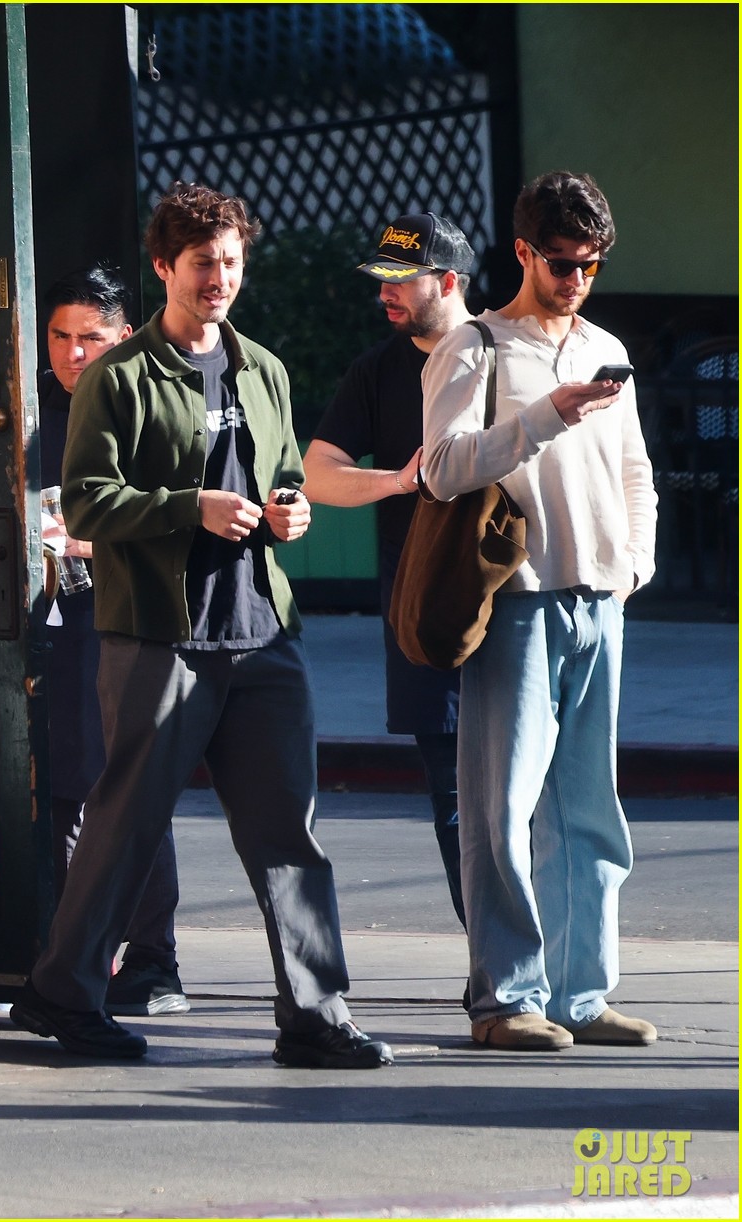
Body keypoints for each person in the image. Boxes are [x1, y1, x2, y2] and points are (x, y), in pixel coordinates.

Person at [11, 183, 393, 1069]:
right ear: (164, 268)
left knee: (288, 834)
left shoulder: (263, 369)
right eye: (200, 264)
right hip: (160, 637)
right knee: (123, 827)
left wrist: (291, 511)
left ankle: (314, 1015)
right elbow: (87, 502)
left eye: (229, 262)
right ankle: (62, 994)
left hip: (262, 633)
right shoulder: (120, 377)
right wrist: (192, 505)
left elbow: (287, 474)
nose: (217, 278)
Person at [421, 171, 658, 1051]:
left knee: (588, 812)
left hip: (600, 600)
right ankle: (505, 998)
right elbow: (441, 468)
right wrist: (545, 416)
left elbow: (633, 469)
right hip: (515, 601)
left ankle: (580, 994)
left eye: (591, 264)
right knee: (501, 811)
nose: (576, 280)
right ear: (523, 252)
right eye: (561, 263)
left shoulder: (604, 344)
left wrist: (633, 563)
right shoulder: (476, 347)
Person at [303, 213, 474, 929]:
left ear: (448, 281)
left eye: (401, 281)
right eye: (381, 280)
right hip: (422, 612)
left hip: (512, 607)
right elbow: (318, 474)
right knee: (453, 803)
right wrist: (396, 482)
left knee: (531, 800)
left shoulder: (501, 355)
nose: (385, 294)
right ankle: (492, 964)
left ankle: (538, 964)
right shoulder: (377, 370)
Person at [39, 266, 189, 1017]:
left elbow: (184, 520)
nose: (73, 354)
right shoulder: (28, 410)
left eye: (90, 338)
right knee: (66, 789)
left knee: (130, 789)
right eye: (60, 337)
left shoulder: (147, 404)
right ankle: (70, 959)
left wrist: (87, 539)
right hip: (46, 624)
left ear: (123, 337)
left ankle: (153, 959)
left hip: (128, 619)